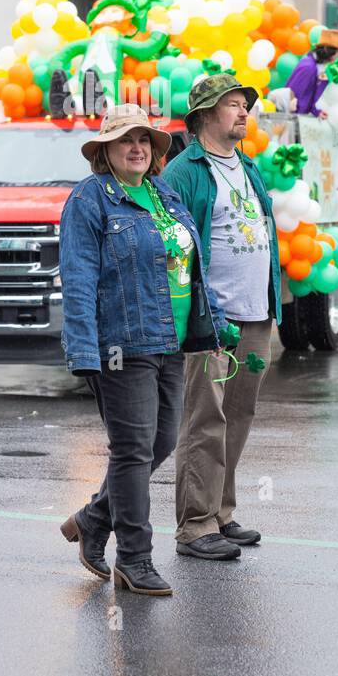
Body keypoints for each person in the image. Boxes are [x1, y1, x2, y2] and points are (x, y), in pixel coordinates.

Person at [59, 104, 223, 596]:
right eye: (125, 139)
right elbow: (79, 279)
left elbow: (190, 267)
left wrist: (214, 321)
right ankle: (133, 558)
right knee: (132, 452)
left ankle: (93, 518)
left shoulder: (163, 194)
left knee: (162, 442)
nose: (137, 147)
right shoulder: (90, 200)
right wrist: (85, 351)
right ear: (104, 150)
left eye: (145, 140)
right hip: (121, 343)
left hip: (170, 339)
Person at [162, 74, 282, 560]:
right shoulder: (183, 172)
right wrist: (195, 310)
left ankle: (221, 512)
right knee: (203, 419)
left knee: (238, 415)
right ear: (206, 115)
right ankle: (194, 525)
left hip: (255, 315)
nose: (242, 113)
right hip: (211, 319)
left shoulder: (248, 167)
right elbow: (173, 248)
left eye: (244, 105)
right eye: (232, 105)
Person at [285, 29, 338, 116]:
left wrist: (316, 112)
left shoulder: (316, 65)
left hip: (300, 117)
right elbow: (295, 97)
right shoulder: (309, 67)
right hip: (295, 119)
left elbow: (309, 95)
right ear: (330, 52)